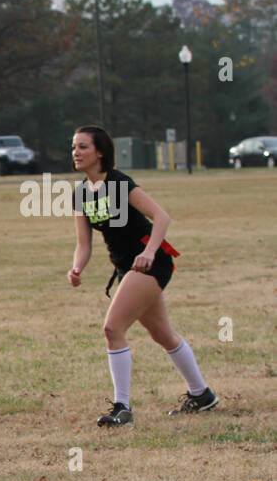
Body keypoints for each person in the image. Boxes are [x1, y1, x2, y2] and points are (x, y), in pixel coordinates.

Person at [68, 125, 218, 426]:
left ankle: (122, 408)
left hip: (152, 261)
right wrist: (77, 267)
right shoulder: (81, 193)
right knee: (162, 334)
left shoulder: (119, 181)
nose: (76, 152)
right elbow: (83, 244)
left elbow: (161, 217)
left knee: (112, 328)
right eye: (74, 147)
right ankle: (202, 395)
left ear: (100, 152)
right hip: (128, 267)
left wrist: (149, 251)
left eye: (83, 146)